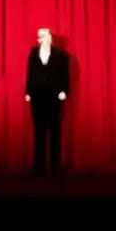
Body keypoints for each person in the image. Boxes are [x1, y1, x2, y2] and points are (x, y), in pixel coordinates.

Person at [24, 27, 69, 176]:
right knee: (39, 132)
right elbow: (30, 73)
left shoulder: (60, 55)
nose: (41, 39)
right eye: (39, 37)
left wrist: (64, 91)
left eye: (44, 36)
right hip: (37, 98)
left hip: (54, 98)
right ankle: (39, 166)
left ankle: (55, 167)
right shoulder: (33, 54)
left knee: (55, 132)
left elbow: (65, 75)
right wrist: (28, 92)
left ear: (50, 38)